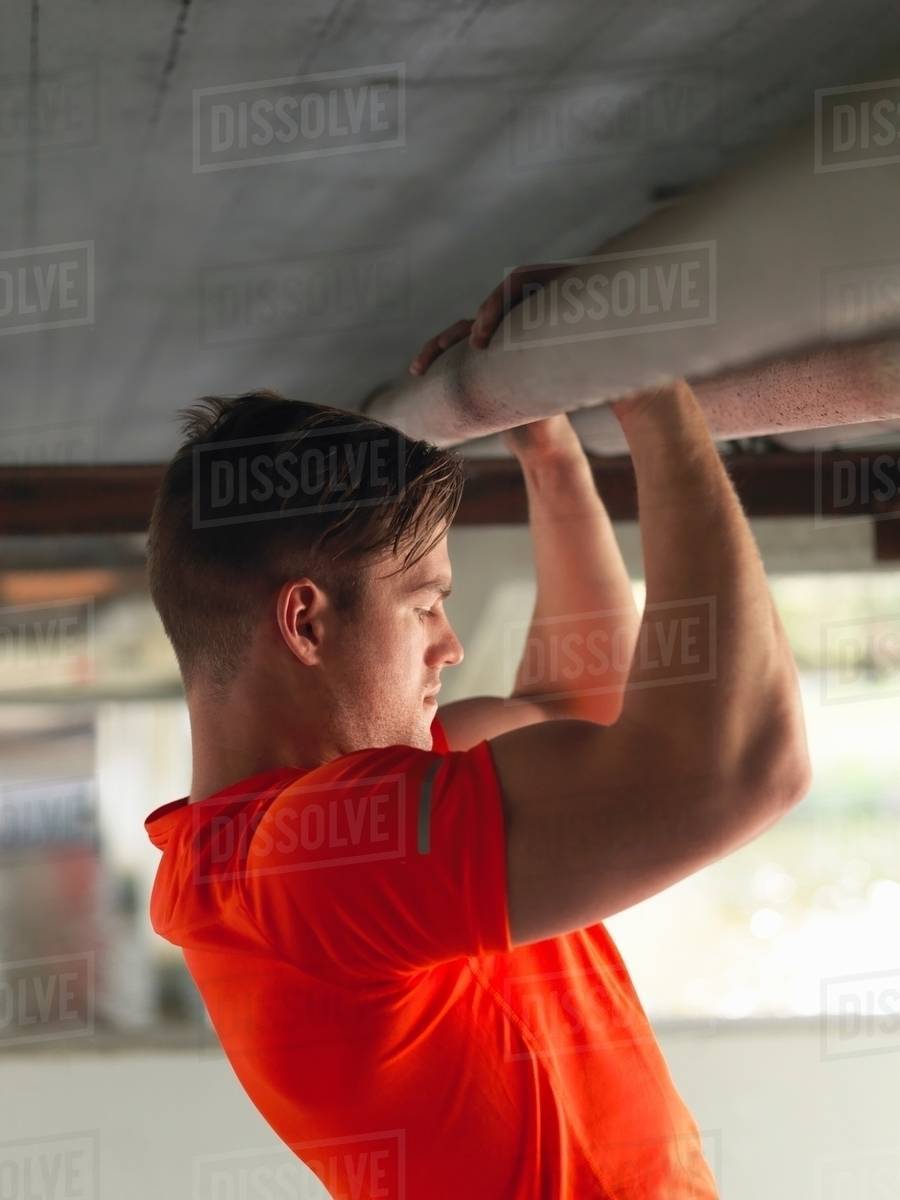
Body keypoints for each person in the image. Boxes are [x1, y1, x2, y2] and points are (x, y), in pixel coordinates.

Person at [144, 268, 810, 1199]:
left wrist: (551, 448)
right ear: (304, 624)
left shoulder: (300, 839)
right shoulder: (310, 865)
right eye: (425, 607)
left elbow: (581, 710)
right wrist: (654, 388)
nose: (452, 648)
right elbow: (739, 770)